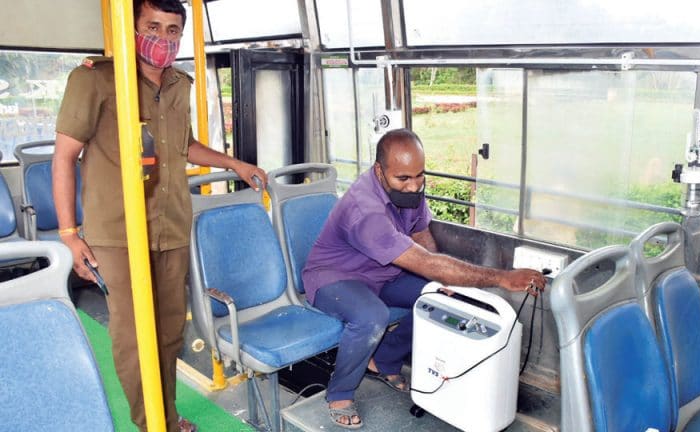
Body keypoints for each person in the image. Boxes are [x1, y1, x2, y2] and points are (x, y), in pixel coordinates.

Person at [52, 1, 267, 431]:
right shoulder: (95, 79)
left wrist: (234, 164)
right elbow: (64, 156)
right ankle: (151, 423)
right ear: (132, 31)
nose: (163, 39)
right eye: (153, 26)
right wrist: (69, 234)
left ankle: (166, 415)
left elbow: (183, 144)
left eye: (172, 30)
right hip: (117, 232)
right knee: (133, 337)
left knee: (169, 332)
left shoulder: (179, 83)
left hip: (170, 226)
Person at [302, 128, 546, 429]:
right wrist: (503, 277)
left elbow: (421, 235)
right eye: (403, 178)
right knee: (371, 316)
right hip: (335, 277)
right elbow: (428, 262)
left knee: (439, 298)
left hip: (382, 272)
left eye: (419, 175)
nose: (414, 185)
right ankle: (339, 394)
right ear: (380, 171)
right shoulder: (365, 211)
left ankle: (384, 359)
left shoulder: (409, 190)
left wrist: (442, 282)